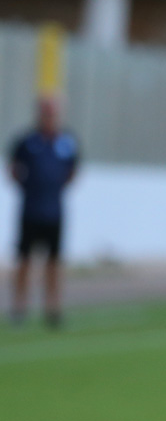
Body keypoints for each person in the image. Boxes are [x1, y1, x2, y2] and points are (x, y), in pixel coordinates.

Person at [8, 96, 79, 328]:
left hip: (54, 212)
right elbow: (13, 168)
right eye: (46, 111)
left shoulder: (67, 142)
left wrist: (55, 187)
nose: (50, 116)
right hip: (30, 211)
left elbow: (73, 171)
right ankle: (20, 308)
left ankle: (52, 308)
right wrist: (29, 187)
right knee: (25, 260)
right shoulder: (27, 141)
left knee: (53, 262)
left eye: (53, 112)